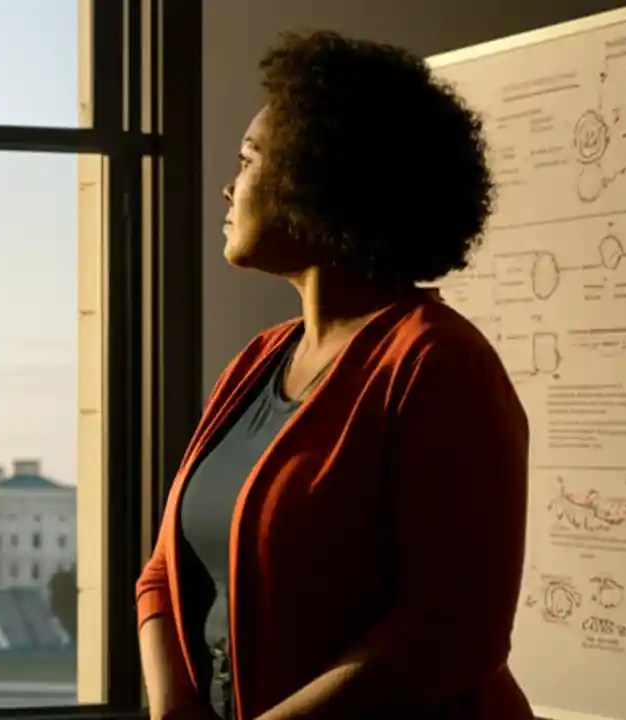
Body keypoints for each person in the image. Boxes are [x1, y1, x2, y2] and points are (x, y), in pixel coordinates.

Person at [136, 31, 532, 720]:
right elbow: (163, 574)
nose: (229, 186)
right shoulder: (256, 362)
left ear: (313, 180)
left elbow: (449, 634)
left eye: (249, 159)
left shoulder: (438, 363)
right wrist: (173, 710)